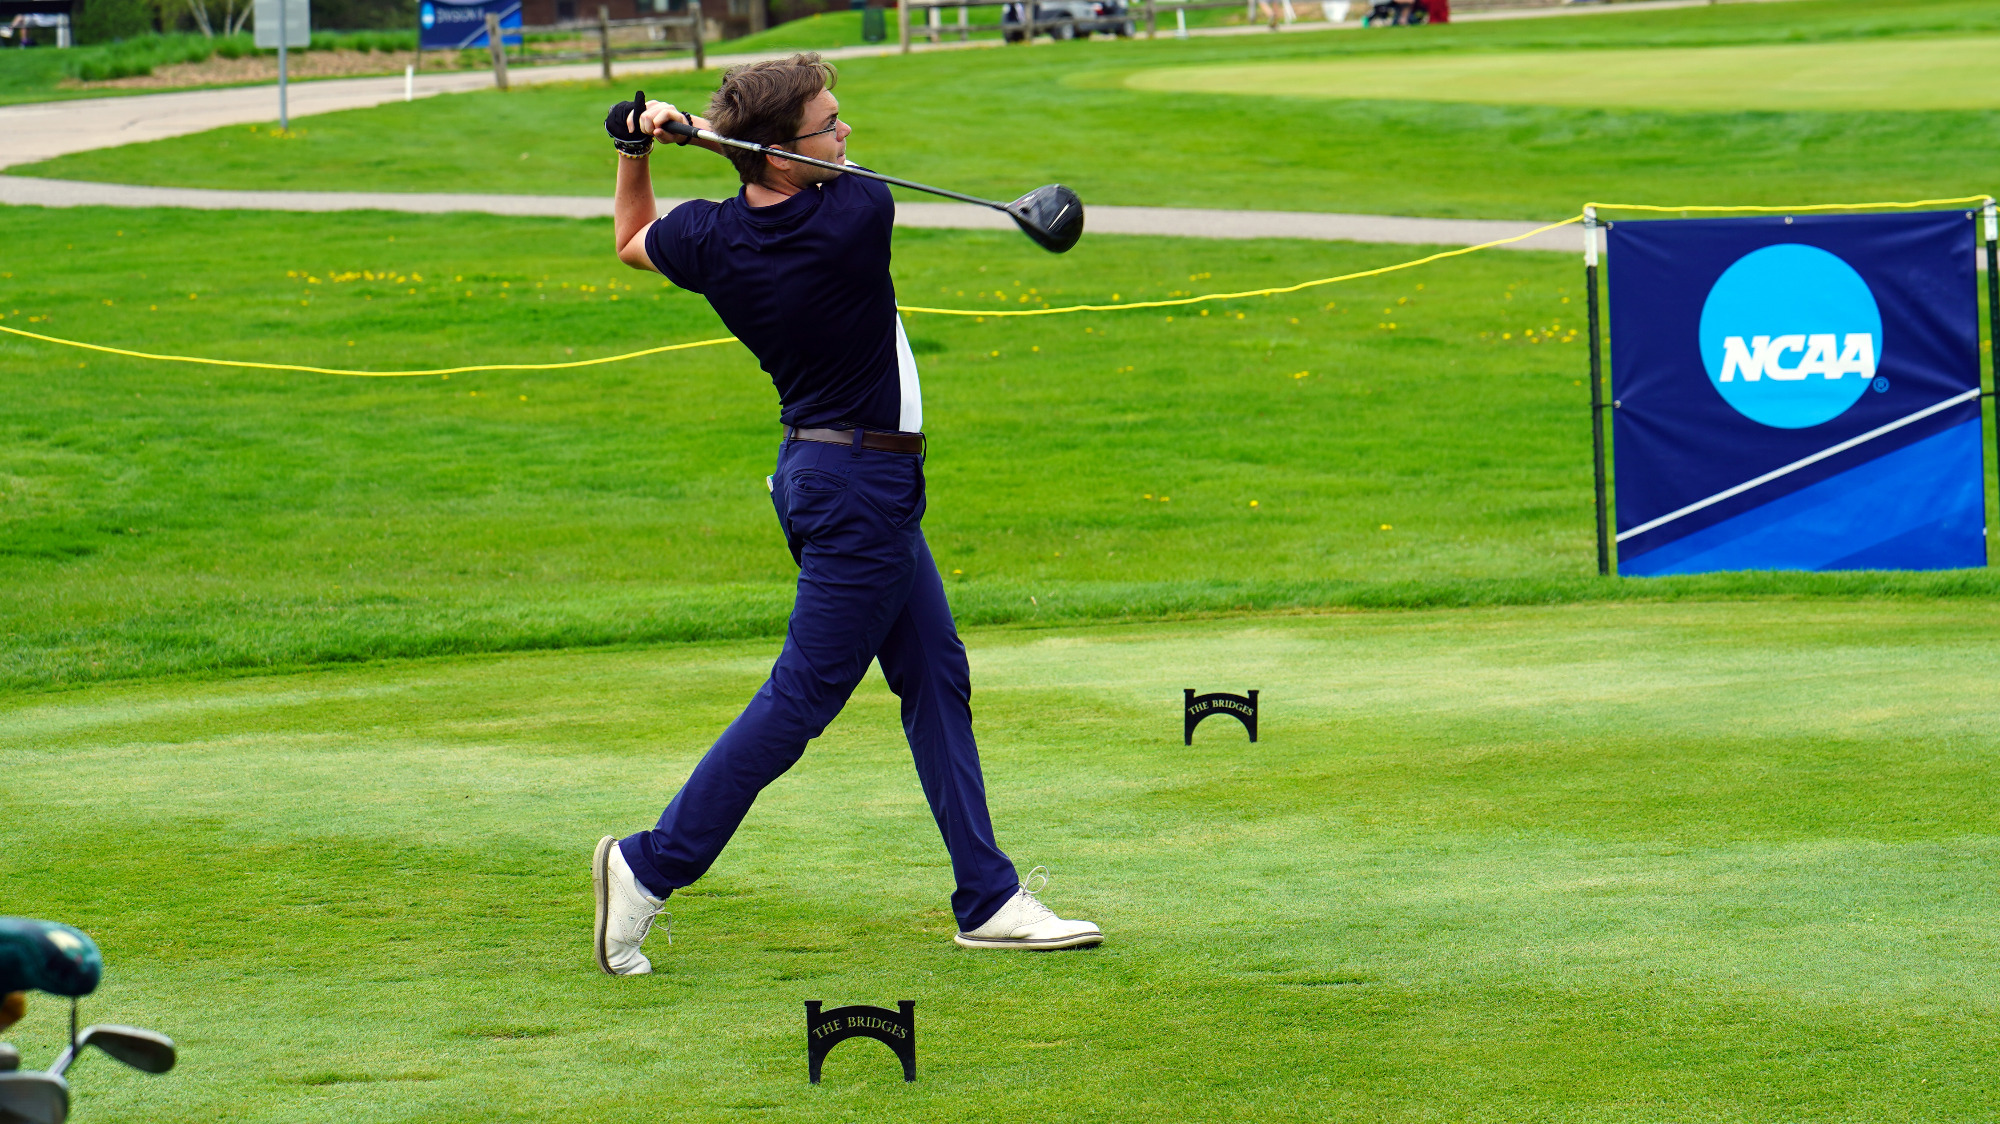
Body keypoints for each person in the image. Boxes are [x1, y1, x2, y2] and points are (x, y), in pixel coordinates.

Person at [591, 53, 1103, 977]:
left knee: (935, 676)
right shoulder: (857, 219)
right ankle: (648, 864)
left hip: (837, 479)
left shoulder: (714, 240)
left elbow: (632, 238)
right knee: (802, 701)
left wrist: (642, 149)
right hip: (858, 491)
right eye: (830, 122)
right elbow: (829, 183)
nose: (848, 133)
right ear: (781, 150)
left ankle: (986, 897)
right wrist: (705, 137)